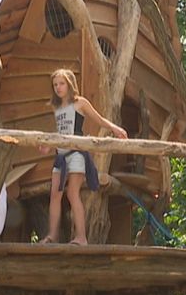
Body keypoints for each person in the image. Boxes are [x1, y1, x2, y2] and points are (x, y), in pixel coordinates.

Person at [39, 68, 127, 245]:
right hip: (61, 155)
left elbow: (99, 119)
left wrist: (115, 129)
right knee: (55, 194)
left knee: (72, 193)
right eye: (55, 84)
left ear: (70, 84)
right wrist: (49, 144)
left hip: (77, 153)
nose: (58, 87)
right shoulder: (57, 106)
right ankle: (52, 235)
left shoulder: (79, 103)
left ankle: (81, 237)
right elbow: (61, 130)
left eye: (62, 83)